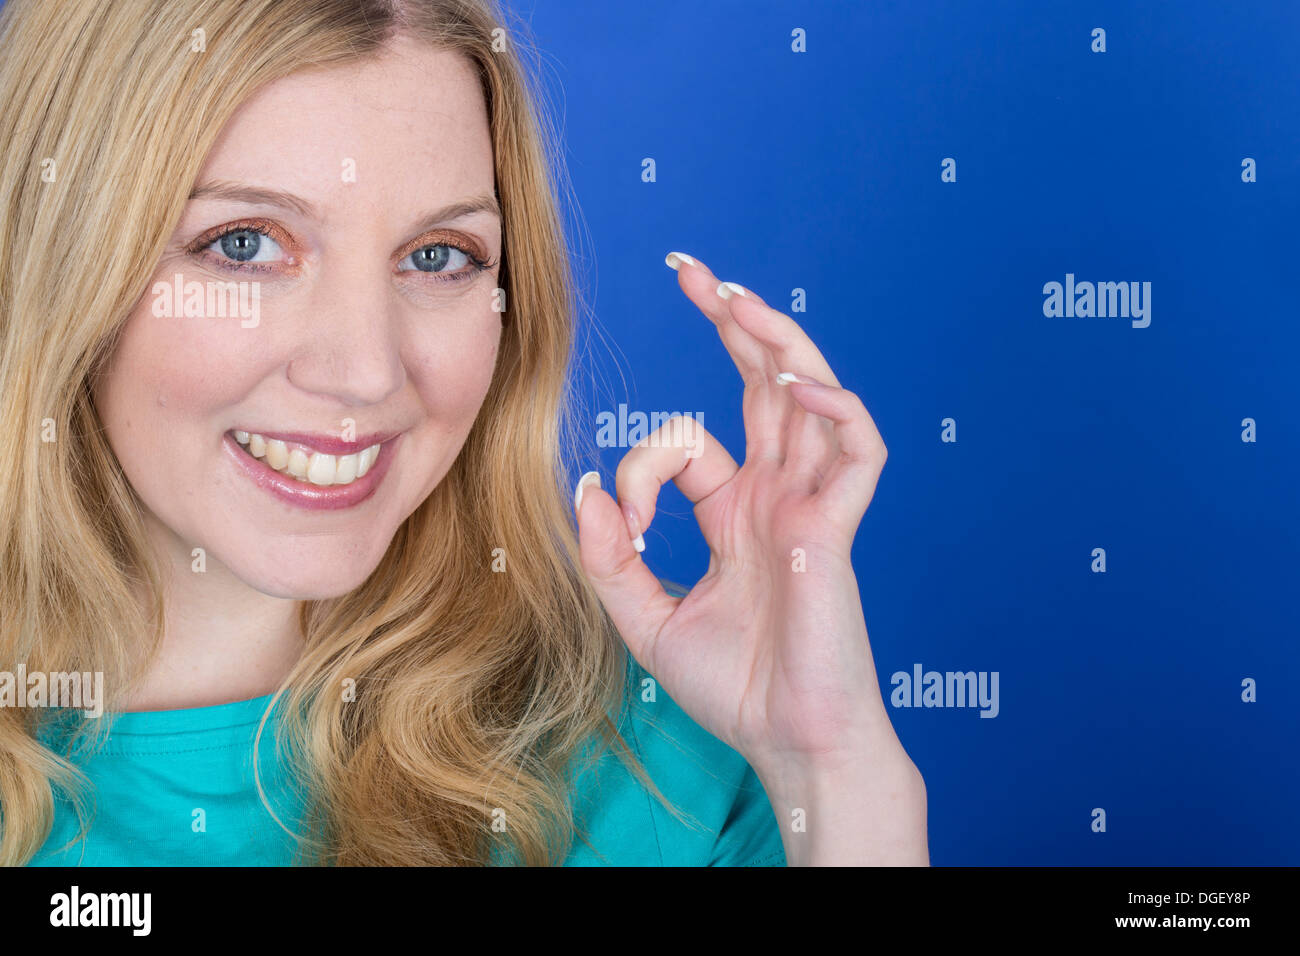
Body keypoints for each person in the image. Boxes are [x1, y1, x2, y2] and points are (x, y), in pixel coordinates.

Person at [0, 0, 928, 866]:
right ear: (59, 257)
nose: (367, 370)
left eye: (438, 257)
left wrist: (834, 769)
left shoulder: (663, 758)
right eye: (244, 244)